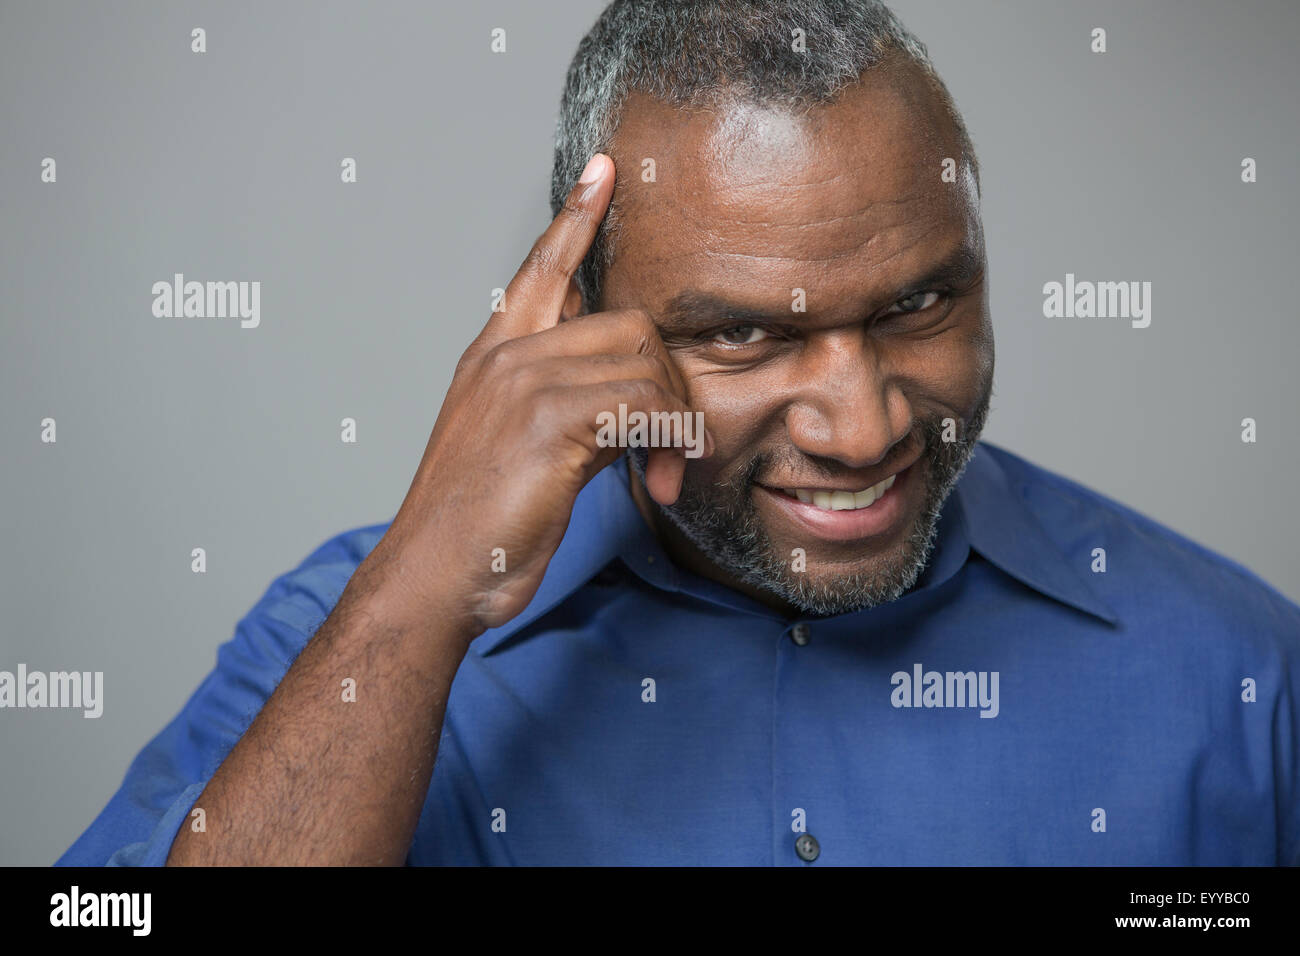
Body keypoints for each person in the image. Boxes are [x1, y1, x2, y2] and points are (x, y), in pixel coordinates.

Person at [58, 0, 1299, 866]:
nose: (861, 425)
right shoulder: (347, 637)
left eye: (918, 304)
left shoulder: (1238, 675)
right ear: (580, 327)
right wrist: (418, 593)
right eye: (743, 334)